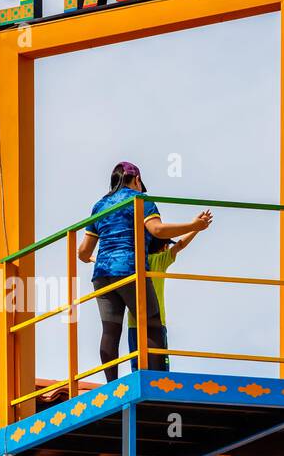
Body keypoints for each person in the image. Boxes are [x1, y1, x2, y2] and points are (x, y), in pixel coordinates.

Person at [77, 161, 211, 380]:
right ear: (137, 180)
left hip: (102, 274)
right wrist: (193, 226)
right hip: (130, 269)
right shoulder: (140, 200)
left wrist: (95, 259)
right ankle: (157, 382)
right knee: (152, 322)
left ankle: (112, 385)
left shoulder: (99, 206)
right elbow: (157, 230)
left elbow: (82, 252)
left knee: (110, 330)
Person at [125, 231, 198, 368]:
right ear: (163, 247)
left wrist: (92, 258)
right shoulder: (160, 261)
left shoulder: (134, 263)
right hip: (157, 320)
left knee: (138, 364)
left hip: (134, 322)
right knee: (160, 367)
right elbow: (180, 245)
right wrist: (196, 228)